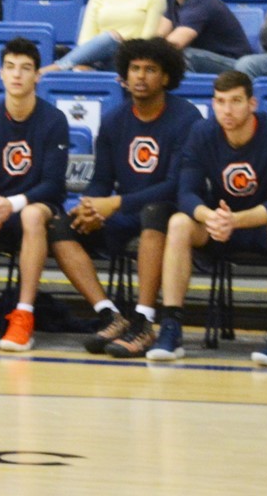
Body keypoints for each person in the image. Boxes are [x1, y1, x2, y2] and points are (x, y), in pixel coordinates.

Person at [150, 71, 267, 365]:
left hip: (263, 223)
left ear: (252, 103)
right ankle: (171, 328)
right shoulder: (201, 132)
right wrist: (211, 218)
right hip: (219, 225)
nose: (227, 110)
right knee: (179, 223)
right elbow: (186, 193)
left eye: (236, 101)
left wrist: (235, 220)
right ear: (213, 104)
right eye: (220, 102)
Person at [79, 39, 206, 358]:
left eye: (150, 69)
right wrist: (91, 205)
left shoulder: (186, 118)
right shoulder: (113, 120)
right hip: (124, 212)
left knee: (154, 212)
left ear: (165, 77)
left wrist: (116, 204)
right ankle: (110, 314)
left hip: (168, 210)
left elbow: (177, 185)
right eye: (134, 68)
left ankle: (144, 320)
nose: (140, 76)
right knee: (60, 227)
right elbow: (101, 180)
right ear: (124, 74)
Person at [0, 37, 71, 353]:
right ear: (1, 74)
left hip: (36, 207)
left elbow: (54, 184)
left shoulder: (54, 120)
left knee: (32, 215)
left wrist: (13, 203)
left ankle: (23, 316)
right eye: (10, 68)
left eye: (25, 68)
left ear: (37, 76)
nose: (17, 75)